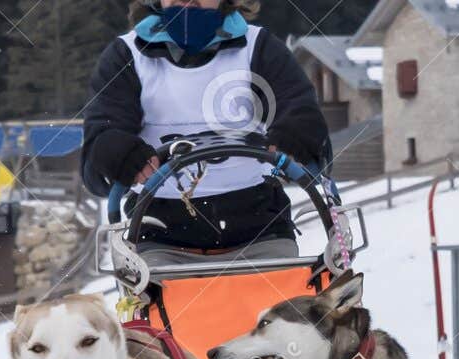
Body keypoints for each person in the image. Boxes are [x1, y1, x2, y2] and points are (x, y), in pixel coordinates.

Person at [82, 0, 330, 260]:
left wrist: (298, 135)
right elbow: (99, 148)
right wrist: (116, 153)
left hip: (259, 232)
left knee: (282, 297)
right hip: (159, 237)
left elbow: (299, 110)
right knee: (160, 297)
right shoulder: (127, 56)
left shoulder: (259, 48)